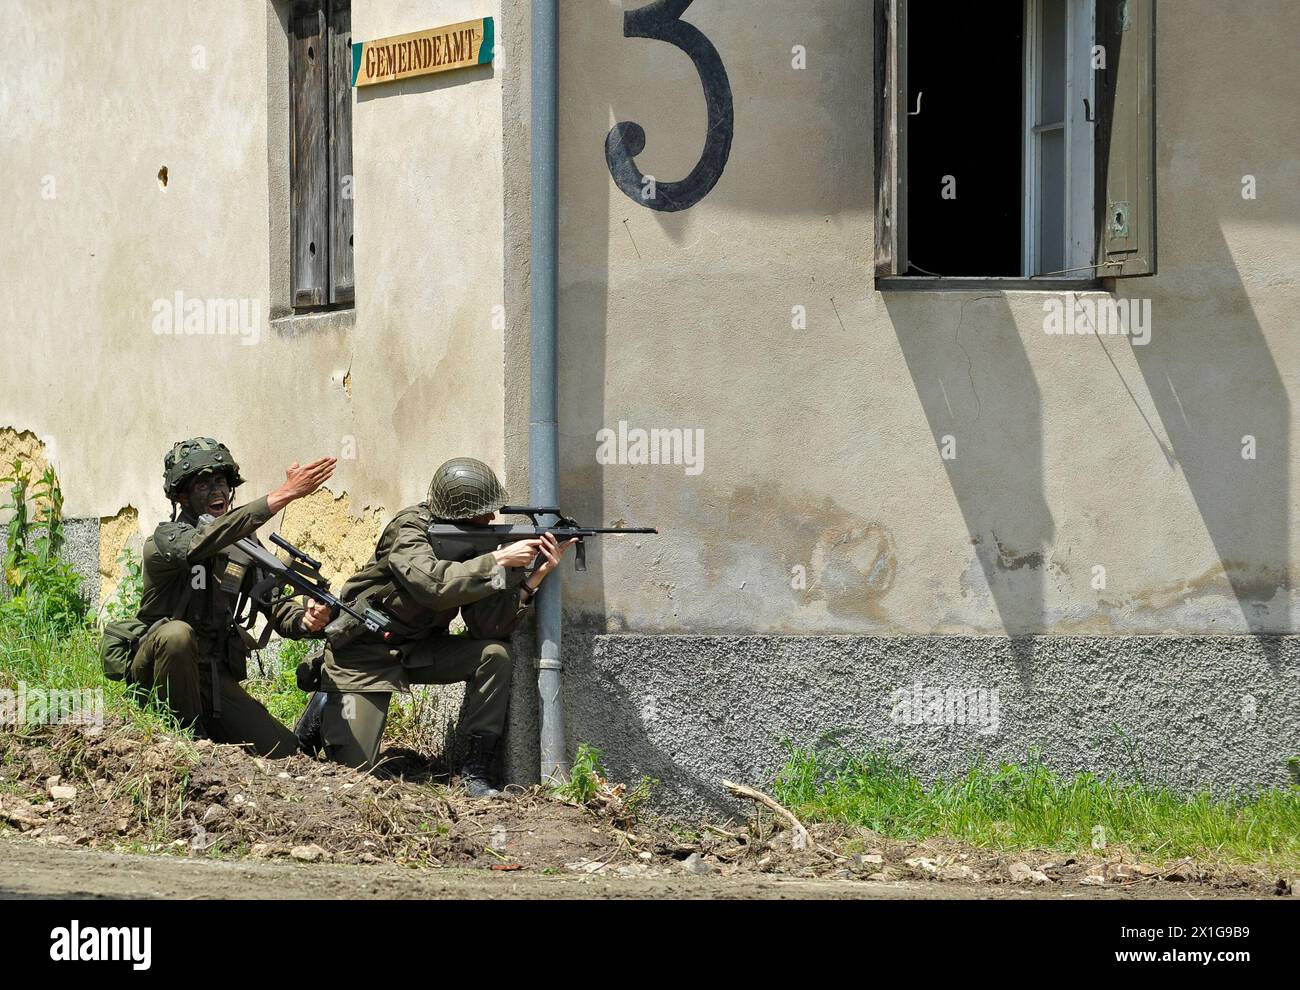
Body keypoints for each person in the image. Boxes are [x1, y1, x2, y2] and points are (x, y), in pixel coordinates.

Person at [297, 457, 574, 796]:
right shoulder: (409, 529)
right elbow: (433, 585)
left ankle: (476, 772)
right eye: (483, 512)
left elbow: (488, 627)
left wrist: (533, 577)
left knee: (494, 654)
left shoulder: (474, 544)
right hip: (363, 655)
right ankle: (326, 698)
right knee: (354, 776)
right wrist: (497, 560)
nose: (491, 519)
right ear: (457, 512)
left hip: (419, 650)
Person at [130, 437, 336, 756]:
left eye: (222, 482)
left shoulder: (242, 546)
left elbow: (275, 603)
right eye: (204, 485)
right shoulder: (166, 541)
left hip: (212, 678)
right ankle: (180, 740)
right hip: (160, 675)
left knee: (287, 758)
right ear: (182, 495)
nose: (218, 492)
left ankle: (210, 730)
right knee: (176, 635)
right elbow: (205, 540)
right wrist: (284, 494)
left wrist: (306, 619)